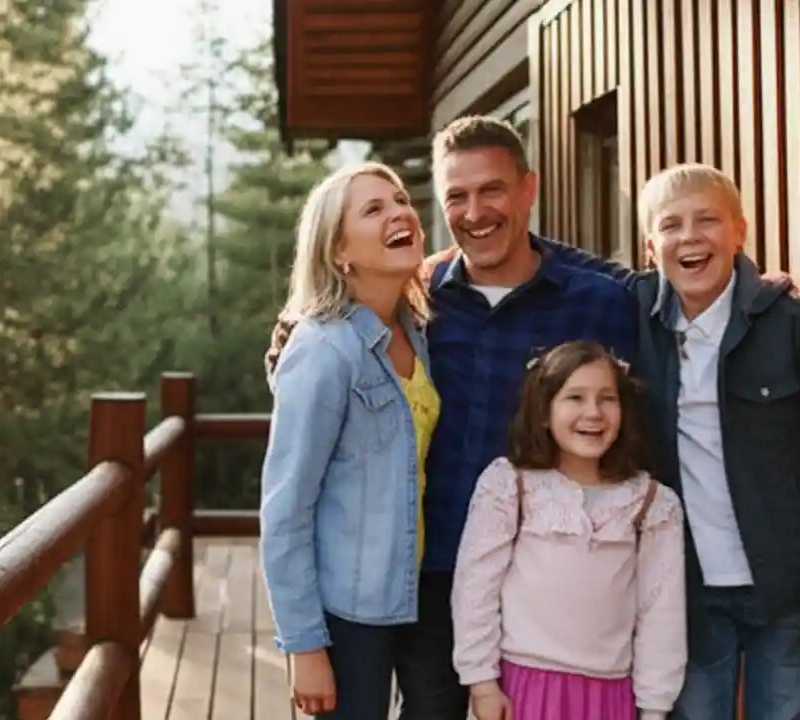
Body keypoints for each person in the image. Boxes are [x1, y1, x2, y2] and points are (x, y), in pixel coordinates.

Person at [266, 116, 639, 718]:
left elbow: (649, 311)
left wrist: (731, 278)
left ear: (528, 190)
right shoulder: (419, 297)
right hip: (415, 573)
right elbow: (287, 498)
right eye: (455, 198)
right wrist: (301, 640)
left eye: (492, 190)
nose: (473, 212)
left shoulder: (592, 301)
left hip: (537, 576)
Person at [552, 163, 800, 718]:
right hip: (684, 591)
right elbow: (564, 267)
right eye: (671, 226)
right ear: (651, 246)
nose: (689, 237)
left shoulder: (792, 324)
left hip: (786, 591)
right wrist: (444, 261)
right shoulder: (636, 314)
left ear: (739, 232)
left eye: (708, 221)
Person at [259, 161, 441, 719]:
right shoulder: (322, 351)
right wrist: (304, 645)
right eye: (374, 209)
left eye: (402, 201)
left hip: (420, 590)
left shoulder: (416, 328)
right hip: (348, 613)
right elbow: (285, 509)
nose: (400, 212)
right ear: (340, 251)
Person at [451, 339, 687, 720]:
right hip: (522, 687)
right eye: (574, 397)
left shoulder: (651, 504)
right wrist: (481, 682)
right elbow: (475, 587)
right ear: (544, 412)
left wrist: (655, 709)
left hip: (609, 696)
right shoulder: (512, 487)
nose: (593, 412)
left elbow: (662, 612)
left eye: (607, 398)